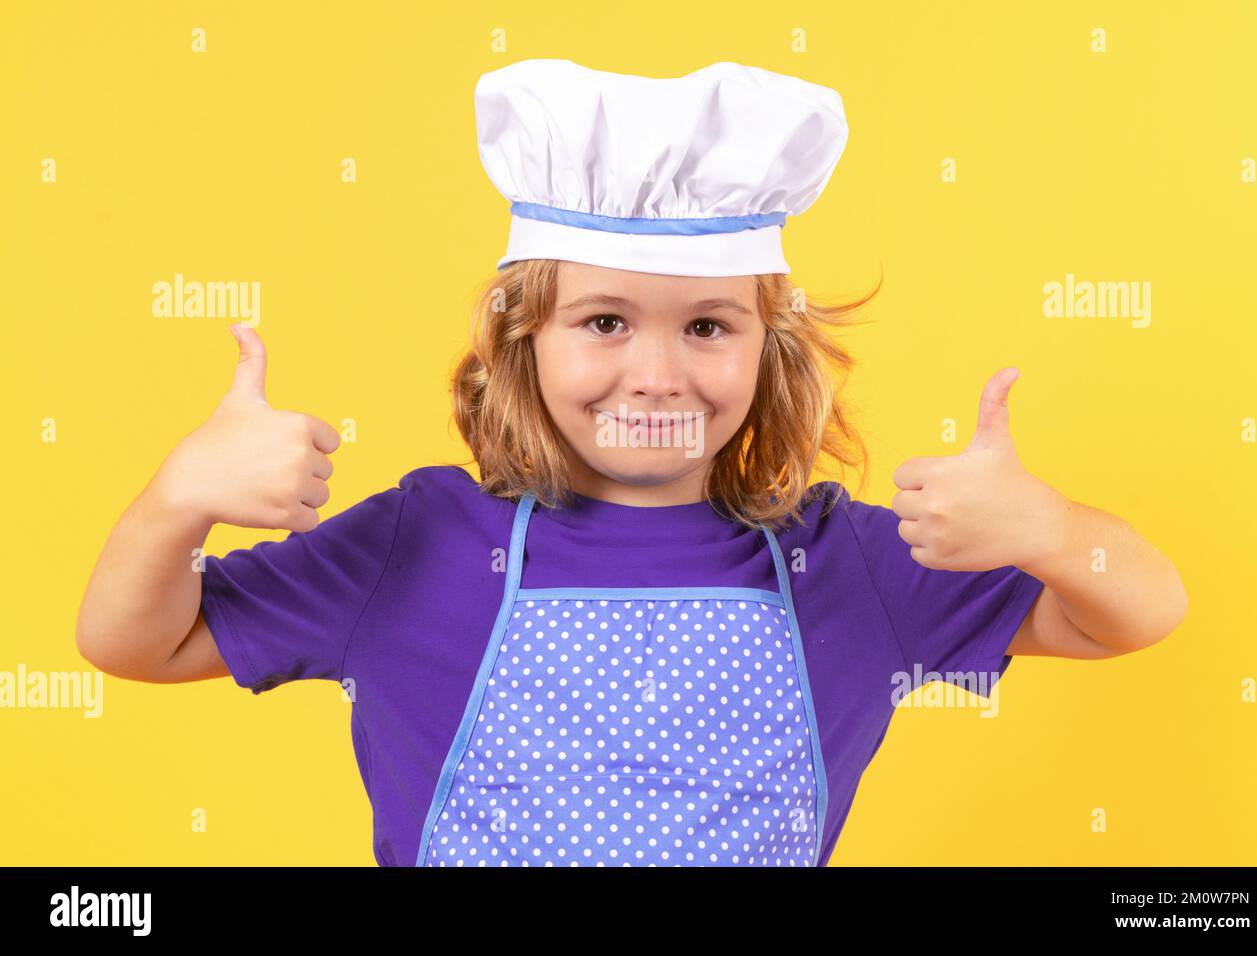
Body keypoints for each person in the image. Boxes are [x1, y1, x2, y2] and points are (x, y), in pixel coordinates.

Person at [75, 59, 1188, 867]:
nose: (656, 373)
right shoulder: (418, 540)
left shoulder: (841, 560)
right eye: (604, 322)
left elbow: (1136, 608)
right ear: (524, 341)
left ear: (769, 350)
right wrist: (179, 500)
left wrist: (1046, 528)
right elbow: (134, 638)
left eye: (708, 327)